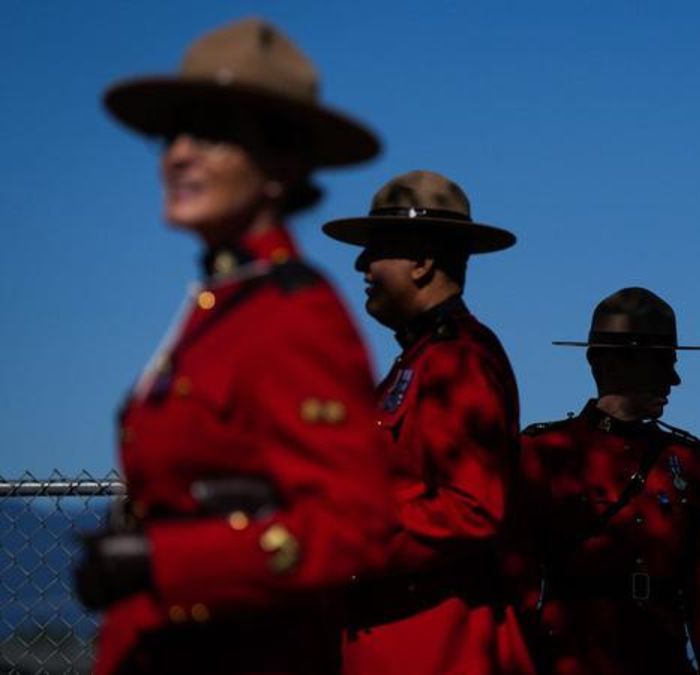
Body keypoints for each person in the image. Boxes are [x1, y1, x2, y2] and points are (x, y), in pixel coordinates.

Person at [74, 18, 392, 675]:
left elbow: (349, 527)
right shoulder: (220, 304)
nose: (178, 154)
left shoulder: (295, 314)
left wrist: (167, 560)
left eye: (213, 135)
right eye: (173, 135)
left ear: (281, 165)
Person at [321, 170, 534, 674]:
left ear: (421, 262)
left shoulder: (460, 360)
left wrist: (346, 536)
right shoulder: (419, 359)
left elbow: (471, 507)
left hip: (436, 646)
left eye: (377, 250)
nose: (361, 265)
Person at [509, 287, 700, 675]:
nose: (675, 379)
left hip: (660, 658)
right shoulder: (544, 450)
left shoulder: (687, 459)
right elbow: (517, 580)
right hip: (570, 658)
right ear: (610, 363)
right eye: (662, 361)